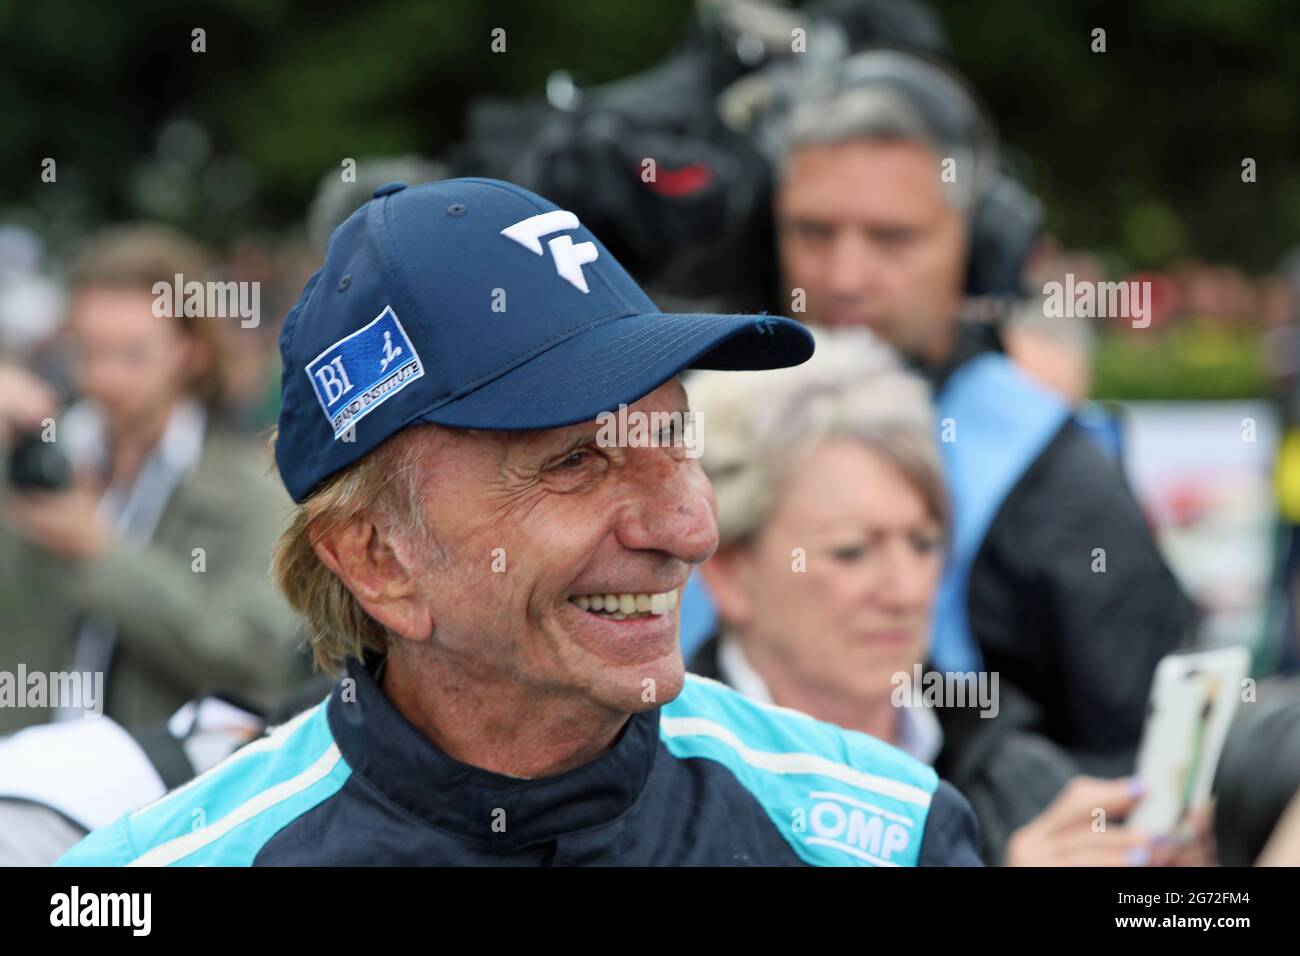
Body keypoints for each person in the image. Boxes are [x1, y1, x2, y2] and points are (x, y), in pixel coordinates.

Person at [58, 177, 981, 866]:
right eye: (576, 461)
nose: (689, 525)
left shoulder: (886, 837)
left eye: (674, 435)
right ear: (378, 559)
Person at [758, 50, 1195, 770]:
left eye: (892, 238)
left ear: (981, 250)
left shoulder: (1056, 479)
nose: (843, 276)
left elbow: (1146, 772)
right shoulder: (706, 418)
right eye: (811, 232)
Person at [685, 326, 1185, 865]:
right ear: (730, 573)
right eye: (853, 551)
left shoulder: (1021, 779)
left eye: (924, 544)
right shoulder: (658, 786)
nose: (907, 589)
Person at [0, 226, 305, 734]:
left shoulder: (252, 492)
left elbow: (254, 655)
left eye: (132, 354)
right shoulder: (39, 455)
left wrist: (99, 551)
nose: (104, 377)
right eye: (89, 352)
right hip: (23, 779)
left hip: (166, 796)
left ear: (192, 352)